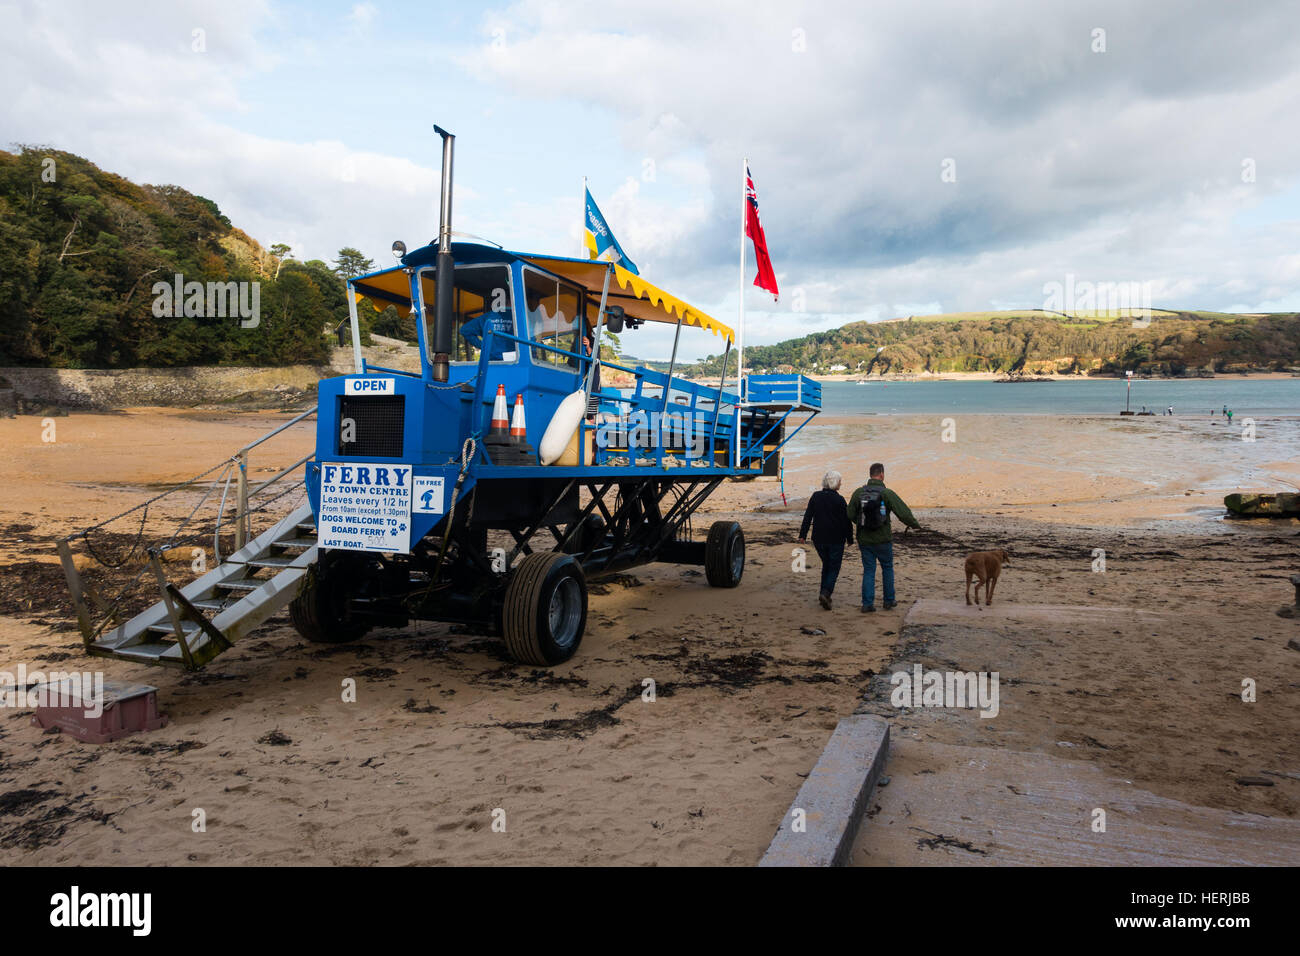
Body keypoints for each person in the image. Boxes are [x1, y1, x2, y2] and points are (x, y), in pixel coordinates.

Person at [847, 462, 921, 613]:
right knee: (887, 568)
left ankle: (867, 604)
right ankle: (888, 601)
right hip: (883, 539)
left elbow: (849, 514)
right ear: (881, 475)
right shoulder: (887, 493)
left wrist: (861, 524)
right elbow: (903, 512)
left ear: (870, 475)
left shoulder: (858, 492)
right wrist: (914, 524)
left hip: (865, 539)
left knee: (869, 570)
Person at [798, 471, 855, 610]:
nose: (841, 483)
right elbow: (846, 521)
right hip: (836, 539)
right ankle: (826, 592)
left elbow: (808, 516)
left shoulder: (816, 496)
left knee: (827, 565)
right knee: (834, 567)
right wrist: (850, 538)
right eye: (840, 481)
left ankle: (824, 595)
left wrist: (803, 535)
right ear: (835, 483)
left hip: (819, 539)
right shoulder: (840, 500)